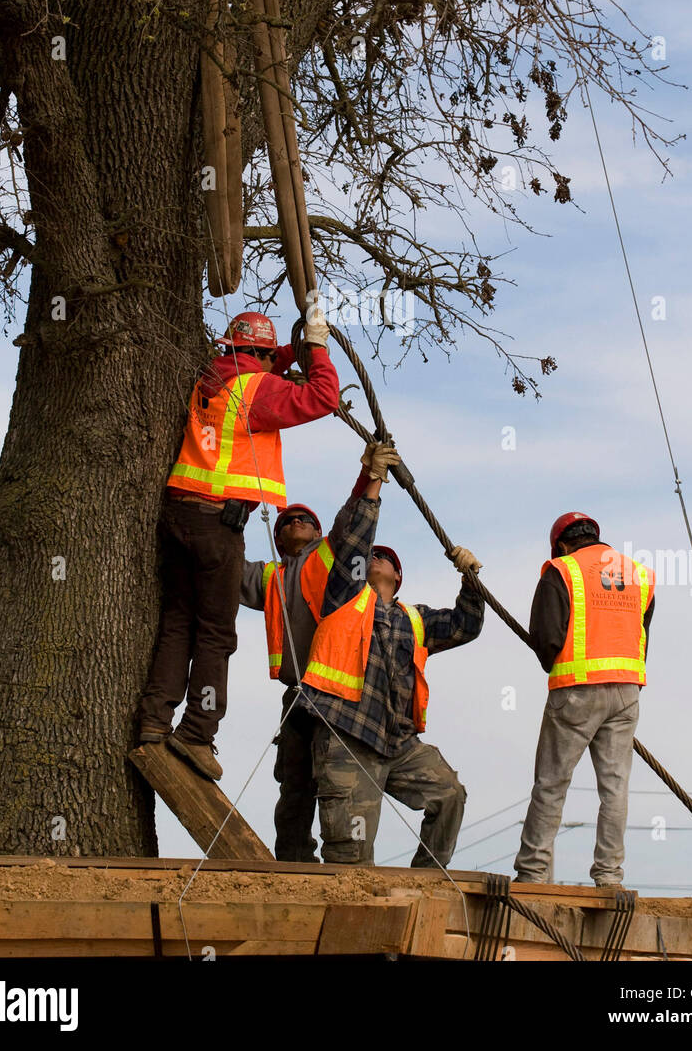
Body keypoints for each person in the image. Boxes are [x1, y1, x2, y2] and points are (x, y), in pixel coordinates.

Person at [136, 310, 338, 781]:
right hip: (217, 524)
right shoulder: (257, 390)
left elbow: (265, 365)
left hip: (179, 513)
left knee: (179, 622)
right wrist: (319, 350)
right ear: (262, 355)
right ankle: (197, 733)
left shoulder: (210, 374)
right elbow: (323, 396)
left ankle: (153, 720)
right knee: (216, 635)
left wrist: (295, 347)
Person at [297, 472, 484, 867]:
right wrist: (374, 488)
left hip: (398, 744)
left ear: (399, 578)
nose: (377, 557)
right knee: (351, 857)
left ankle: (426, 881)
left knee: (449, 794)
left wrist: (471, 581)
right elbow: (353, 546)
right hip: (348, 734)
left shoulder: (416, 620)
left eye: (388, 558)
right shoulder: (345, 595)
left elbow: (465, 626)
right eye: (373, 555)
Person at [240, 442, 401, 861]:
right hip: (298, 696)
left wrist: (369, 477)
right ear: (277, 538)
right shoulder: (270, 576)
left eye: (304, 519)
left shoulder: (330, 555)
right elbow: (224, 568)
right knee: (294, 785)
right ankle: (294, 862)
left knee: (336, 782)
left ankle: (344, 866)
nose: (295, 521)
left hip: (333, 696)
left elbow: (351, 525)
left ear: (316, 532)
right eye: (287, 520)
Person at [514, 512, 656, 889]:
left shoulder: (561, 570)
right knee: (615, 787)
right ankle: (609, 875)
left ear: (562, 544)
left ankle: (533, 873)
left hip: (576, 692)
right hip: (626, 692)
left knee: (551, 783)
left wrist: (555, 665)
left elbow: (546, 637)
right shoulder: (640, 575)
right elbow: (641, 635)